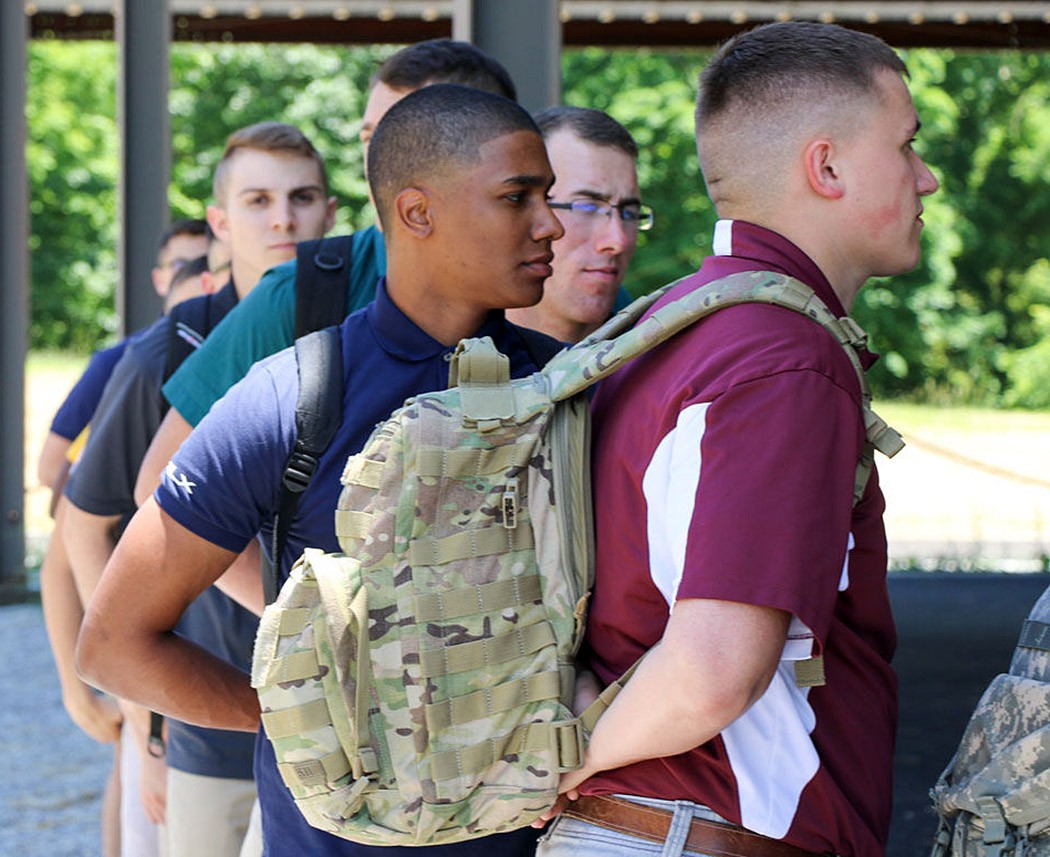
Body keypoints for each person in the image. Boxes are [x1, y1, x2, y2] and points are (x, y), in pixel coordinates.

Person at [77, 83, 564, 857]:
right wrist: (305, 715)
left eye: (548, 196)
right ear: (416, 212)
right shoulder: (294, 395)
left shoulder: (571, 393)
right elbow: (112, 643)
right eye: (518, 197)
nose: (551, 224)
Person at [533, 21, 939, 857]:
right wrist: (567, 762)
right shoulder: (782, 358)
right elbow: (713, 668)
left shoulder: (667, 328)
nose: (925, 175)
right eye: (906, 145)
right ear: (826, 167)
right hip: (697, 837)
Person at [62, 121, 336, 857]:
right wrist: (137, 707)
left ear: (332, 211)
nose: (283, 220)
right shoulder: (170, 348)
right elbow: (83, 523)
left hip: (339, 710)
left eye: (302, 197)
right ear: (219, 222)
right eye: (258, 200)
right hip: (210, 716)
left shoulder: (354, 325)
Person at [131, 39, 521, 507]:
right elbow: (163, 483)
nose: (381, 160)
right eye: (370, 138)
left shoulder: (548, 285)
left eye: (410, 135)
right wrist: (285, 561)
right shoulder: (303, 293)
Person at [38, 217, 209, 857]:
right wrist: (78, 685)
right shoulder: (131, 361)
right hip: (145, 633)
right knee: (137, 785)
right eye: (184, 266)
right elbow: (62, 507)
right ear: (162, 279)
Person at [37, 219, 210, 508]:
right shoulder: (120, 360)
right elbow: (51, 468)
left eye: (206, 264)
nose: (195, 275)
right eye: (181, 265)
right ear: (159, 279)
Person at [507, 106, 651, 343]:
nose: (618, 241)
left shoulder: (654, 355)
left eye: (628, 213)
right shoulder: (452, 352)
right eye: (587, 208)